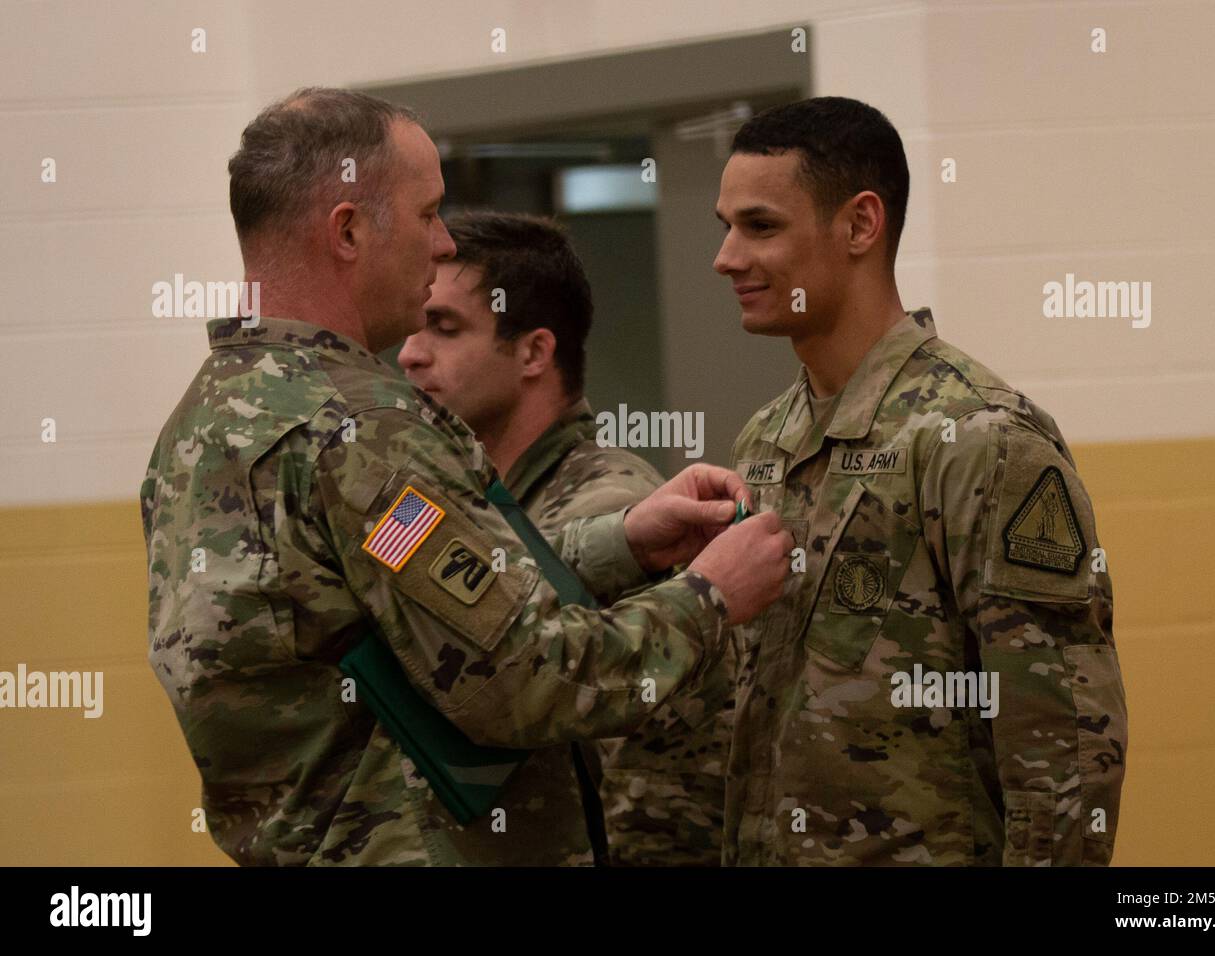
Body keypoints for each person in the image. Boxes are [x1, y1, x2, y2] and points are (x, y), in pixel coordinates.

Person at [141, 86, 792, 867]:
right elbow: (519, 681)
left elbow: (387, 611)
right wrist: (710, 598)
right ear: (347, 231)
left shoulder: (208, 419)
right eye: (427, 213)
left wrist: (618, 545)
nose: (444, 243)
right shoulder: (355, 429)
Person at [712, 96, 1127, 866]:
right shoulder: (767, 439)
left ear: (861, 226)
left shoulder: (979, 439)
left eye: (760, 227)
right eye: (726, 227)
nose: (727, 258)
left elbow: (1065, 752)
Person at [398, 211, 731, 865]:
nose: (410, 352)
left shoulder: (611, 499)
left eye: (443, 327)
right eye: (412, 324)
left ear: (533, 352)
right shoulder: (472, 495)